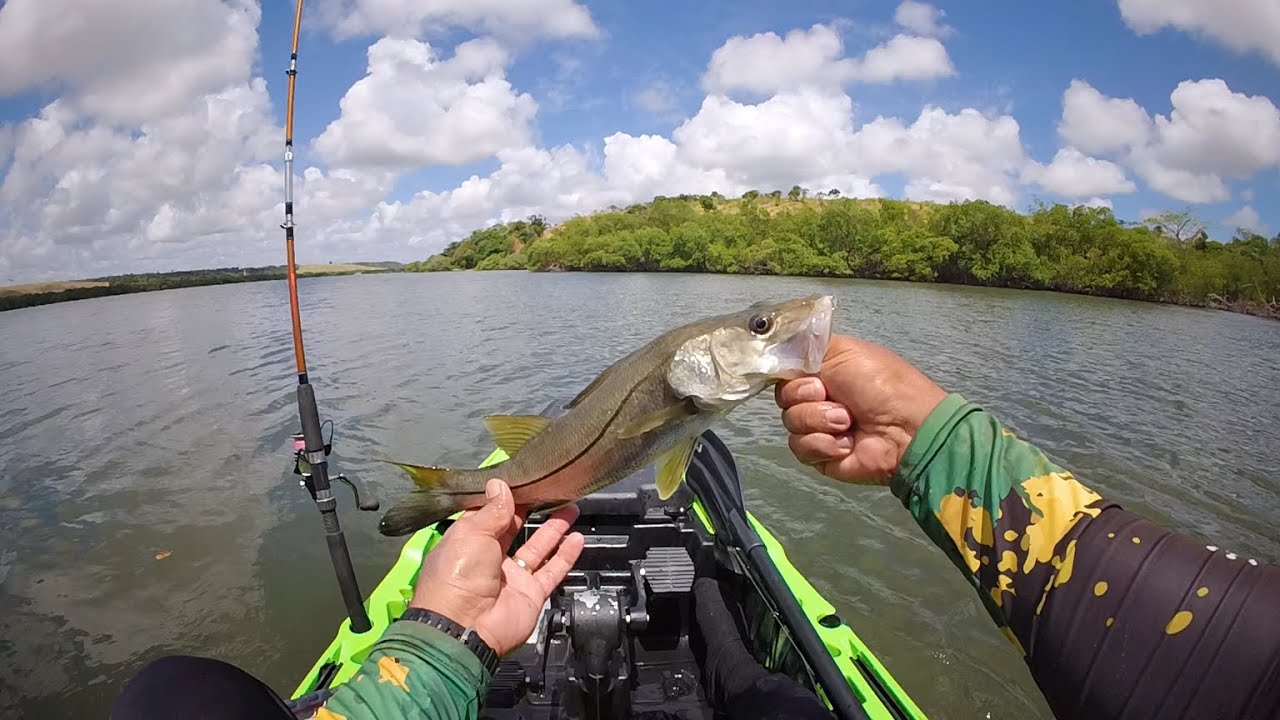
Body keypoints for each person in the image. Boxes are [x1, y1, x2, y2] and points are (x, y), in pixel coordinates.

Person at [112, 333, 1280, 719]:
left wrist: (432, 645)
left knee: (173, 690)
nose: (785, 335)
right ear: (705, 358)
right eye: (762, 328)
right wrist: (929, 434)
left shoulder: (701, 384)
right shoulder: (688, 382)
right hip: (563, 468)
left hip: (521, 534)